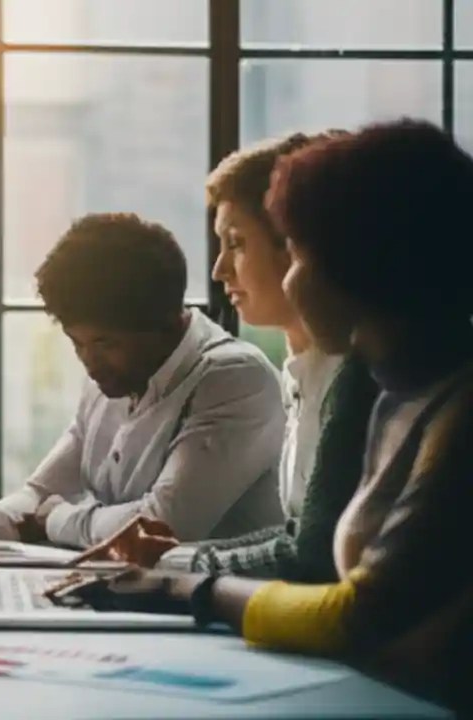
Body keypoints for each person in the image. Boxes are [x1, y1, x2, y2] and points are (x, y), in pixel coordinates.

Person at [78, 121, 473, 715]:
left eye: (301, 251)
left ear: (361, 264)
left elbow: (356, 608)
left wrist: (179, 586)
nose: (290, 271)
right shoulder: (402, 390)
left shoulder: (451, 410)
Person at [82, 131, 380, 583]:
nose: (220, 270)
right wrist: (163, 559)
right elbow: (299, 533)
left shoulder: (359, 377)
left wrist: (169, 569)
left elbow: (312, 557)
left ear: (297, 244)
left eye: (236, 243)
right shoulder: (302, 371)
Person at [0, 213, 285, 549]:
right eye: (76, 342)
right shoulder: (110, 382)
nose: (89, 362)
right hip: (135, 592)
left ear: (165, 323)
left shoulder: (234, 378)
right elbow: (39, 497)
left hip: (209, 599)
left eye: (105, 344)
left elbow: (162, 525)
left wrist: (58, 520)